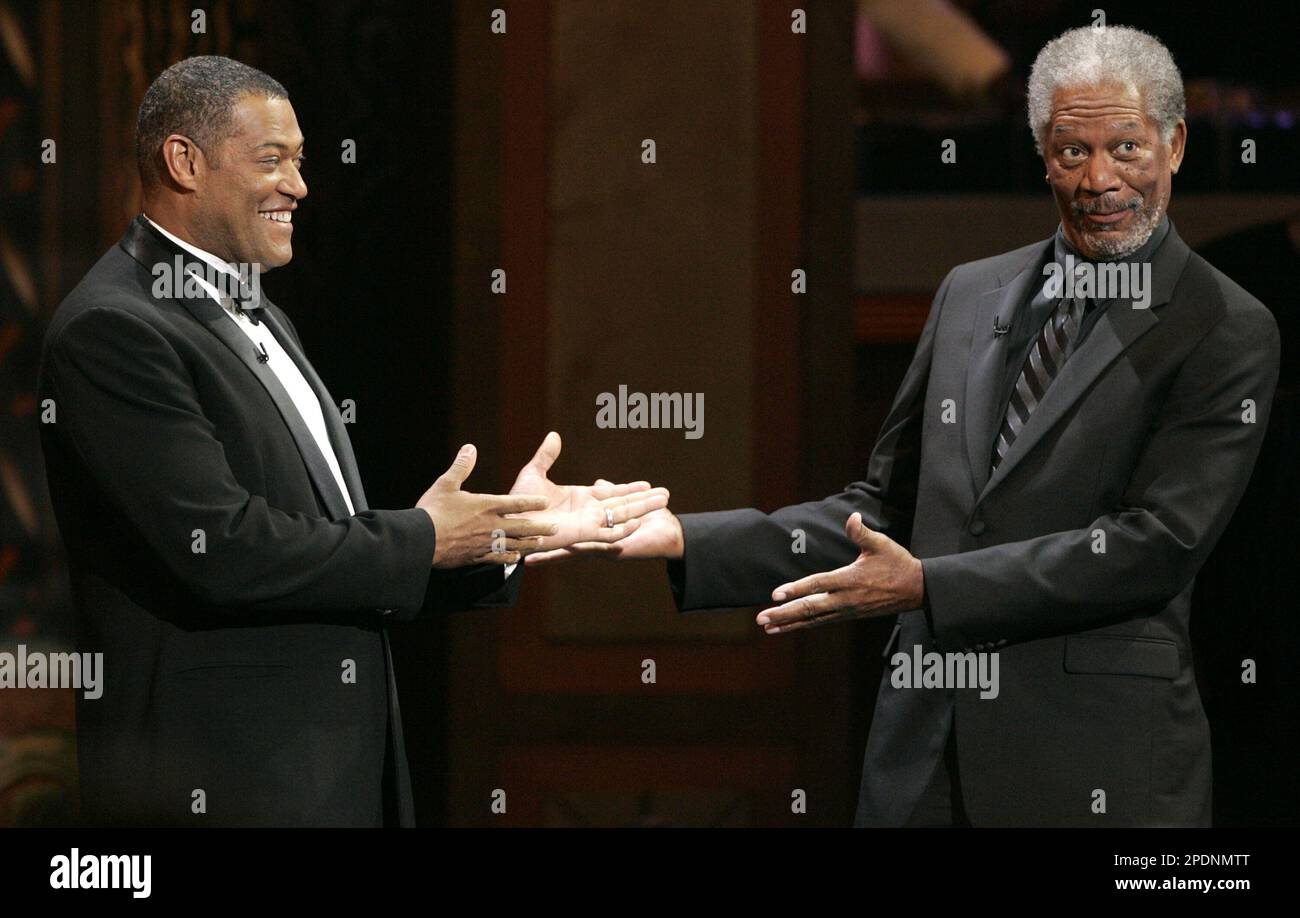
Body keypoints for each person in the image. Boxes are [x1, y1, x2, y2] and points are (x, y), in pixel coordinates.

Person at [533, 26, 1281, 826]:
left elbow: (1153, 546)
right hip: (920, 759)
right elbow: (884, 512)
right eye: (1071, 152)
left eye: (1125, 147)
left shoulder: (1223, 326)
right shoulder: (970, 294)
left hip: (1093, 765)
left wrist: (929, 585)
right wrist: (682, 537)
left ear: (1174, 145)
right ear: (1041, 153)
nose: (1099, 179)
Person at [37, 56, 667, 826]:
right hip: (223, 786)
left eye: (299, 161)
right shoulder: (116, 328)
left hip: (328, 777)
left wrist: (506, 534)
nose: (299, 185)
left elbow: (332, 555)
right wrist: (425, 537)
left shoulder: (258, 311)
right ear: (184, 161)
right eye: (273, 160)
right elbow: (223, 549)